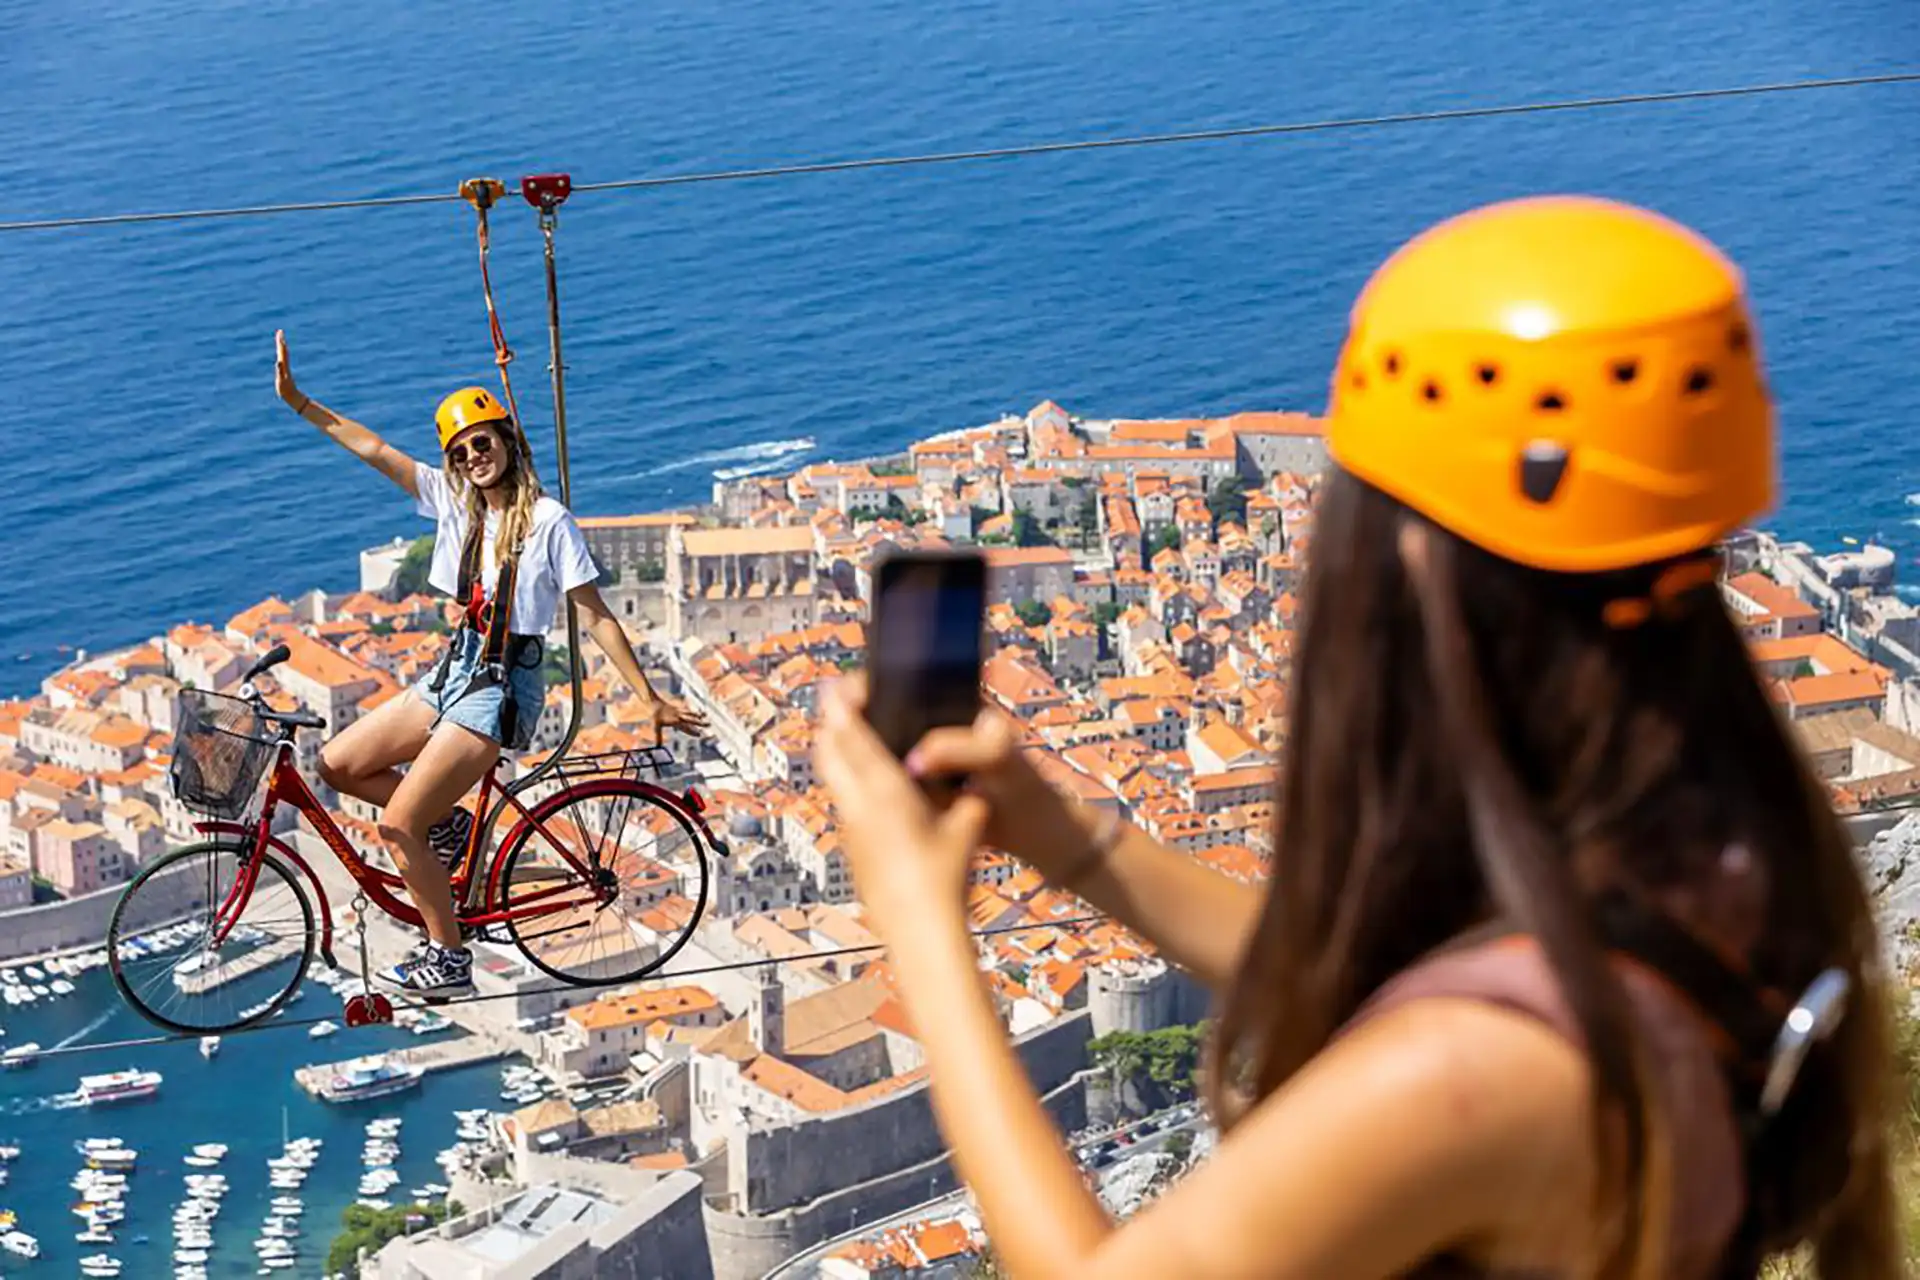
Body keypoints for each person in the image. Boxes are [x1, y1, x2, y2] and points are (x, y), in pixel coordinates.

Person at [813, 196, 1899, 1278]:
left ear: (1415, 560)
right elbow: (1378, 973)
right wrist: (1073, 843)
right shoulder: (1732, 859)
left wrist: (919, 921)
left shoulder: (1468, 1074)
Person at [273, 331, 708, 998]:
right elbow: (374, 450)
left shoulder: (550, 522)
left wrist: (647, 697)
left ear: (507, 441)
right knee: (336, 765)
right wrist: (300, 402)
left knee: (396, 825)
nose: (473, 455)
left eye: (483, 441)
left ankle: (448, 960)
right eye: (460, 450)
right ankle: (447, 828)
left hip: (503, 686)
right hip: (457, 669)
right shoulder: (454, 504)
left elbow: (594, 613)